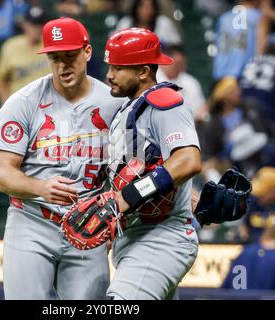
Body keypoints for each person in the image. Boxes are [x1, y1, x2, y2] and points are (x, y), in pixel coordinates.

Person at [0, 17, 125, 299]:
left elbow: (127, 170)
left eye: (70, 55)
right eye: (55, 57)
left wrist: (115, 216)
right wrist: (40, 187)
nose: (63, 64)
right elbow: (2, 174)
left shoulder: (114, 104)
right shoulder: (22, 102)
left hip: (88, 226)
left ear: (87, 52)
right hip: (32, 222)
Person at [102, 28, 202, 299]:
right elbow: (144, 169)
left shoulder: (166, 103)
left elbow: (188, 160)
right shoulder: (131, 109)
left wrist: (128, 196)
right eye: (110, 66)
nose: (109, 74)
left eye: (119, 68)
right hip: (136, 237)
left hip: (160, 238)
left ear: (144, 71)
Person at [0, 6, 51, 104]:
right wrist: (7, 105)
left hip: (48, 102)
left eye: (40, 24)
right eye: (33, 24)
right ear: (25, 25)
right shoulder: (11, 46)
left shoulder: (50, 44)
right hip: (21, 105)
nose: (37, 28)